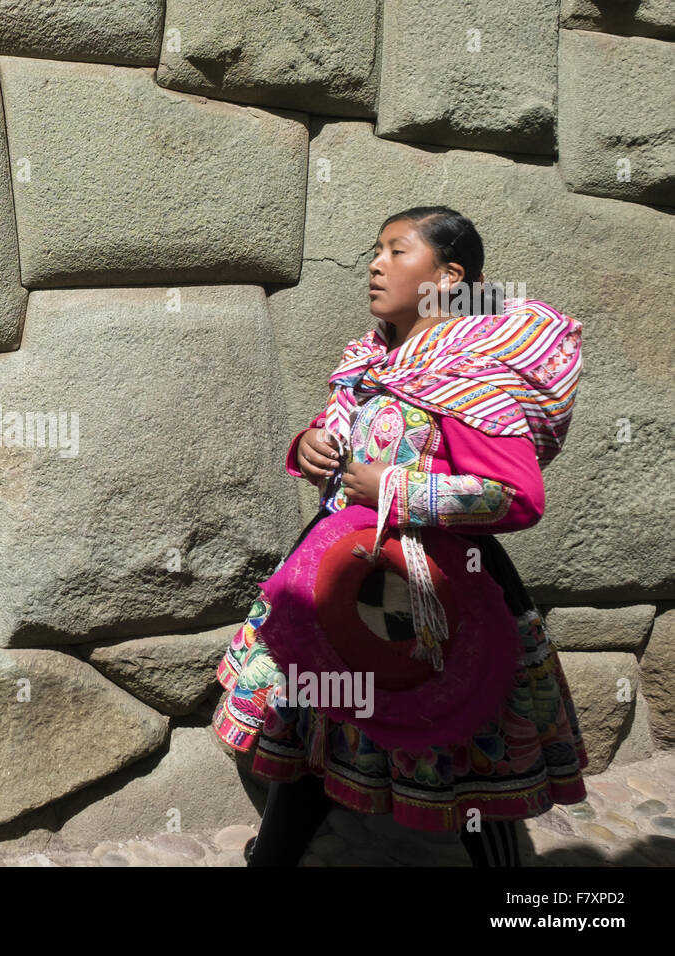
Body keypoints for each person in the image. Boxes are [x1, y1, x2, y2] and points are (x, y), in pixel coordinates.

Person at [213, 206, 588, 867]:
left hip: (438, 599)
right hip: (338, 581)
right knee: (319, 725)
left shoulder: (472, 374)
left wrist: (395, 488)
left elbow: (517, 495)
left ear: (448, 277)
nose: (375, 264)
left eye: (396, 251)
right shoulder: (374, 362)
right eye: (376, 250)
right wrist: (309, 446)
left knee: (461, 754)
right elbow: (347, 442)